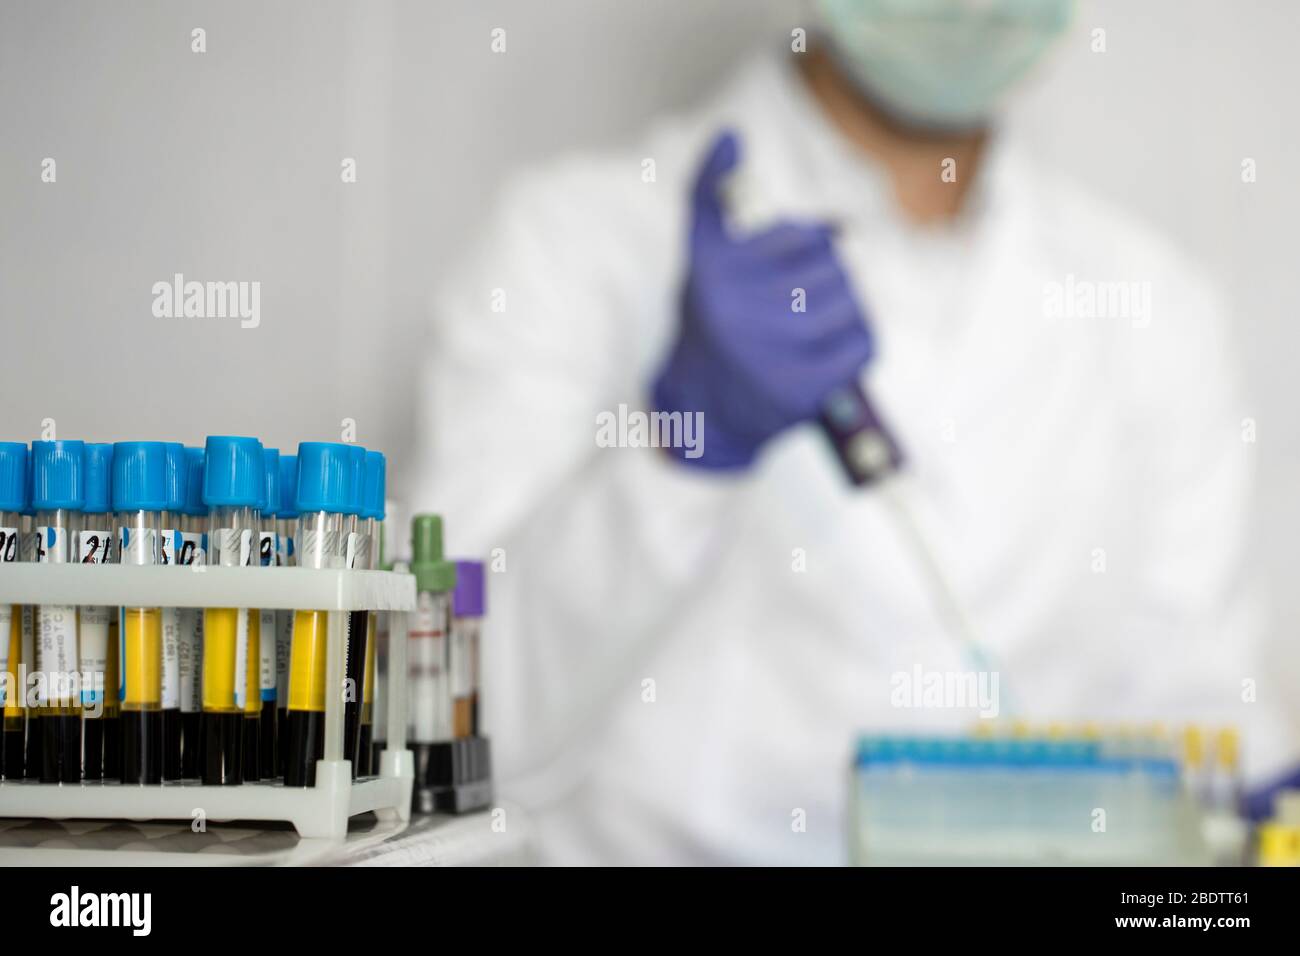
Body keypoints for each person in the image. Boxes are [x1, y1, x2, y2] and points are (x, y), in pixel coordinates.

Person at [410, 0, 1296, 864]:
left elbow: (1204, 710)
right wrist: (682, 447)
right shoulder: (580, 241)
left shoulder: (1153, 299)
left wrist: (1266, 810)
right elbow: (448, 719)